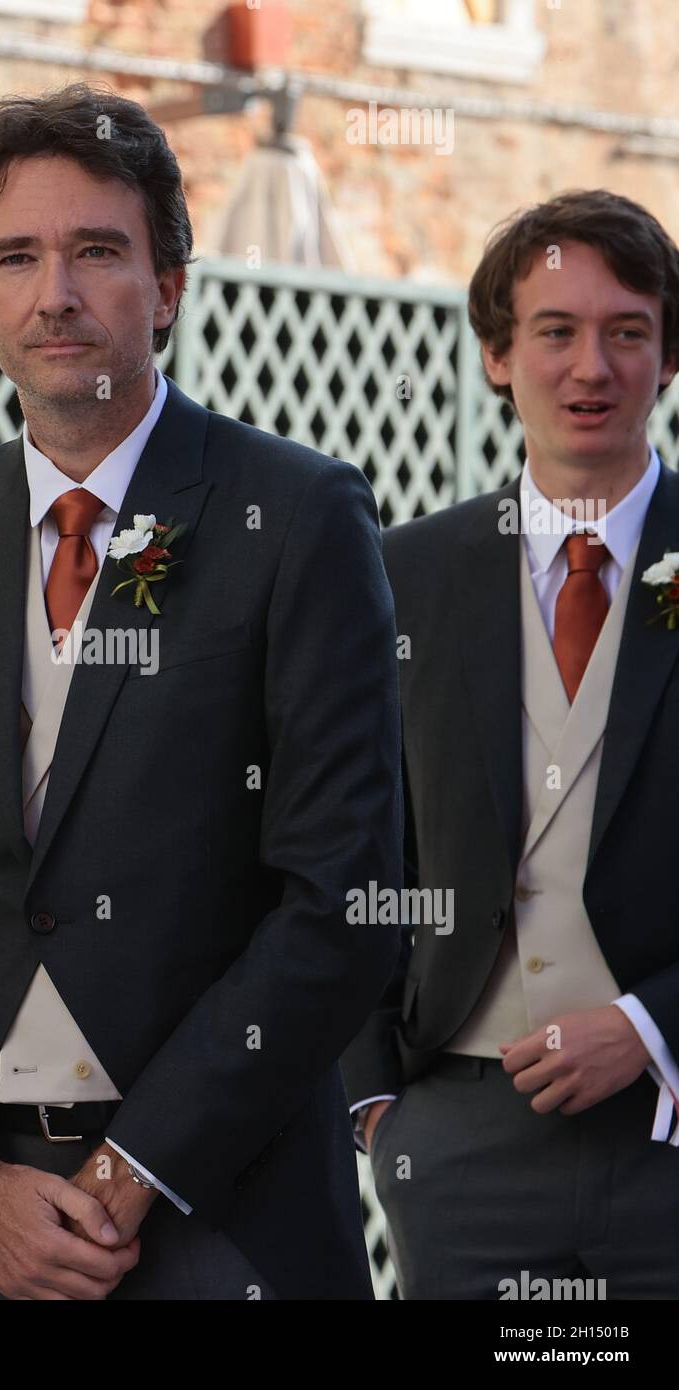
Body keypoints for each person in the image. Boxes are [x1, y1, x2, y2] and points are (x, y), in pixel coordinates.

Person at [0, 81, 402, 1301]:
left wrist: (134, 1169)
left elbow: (340, 898)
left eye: (97, 251)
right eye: (15, 257)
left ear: (169, 284)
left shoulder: (296, 518)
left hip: (220, 1212)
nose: (56, 294)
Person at [343, 189, 679, 1299]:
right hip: (457, 1145)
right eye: (554, 331)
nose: (592, 366)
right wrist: (378, 1104)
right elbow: (340, 850)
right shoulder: (404, 575)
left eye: (626, 331)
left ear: (667, 359)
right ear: (496, 355)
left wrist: (647, 1025)